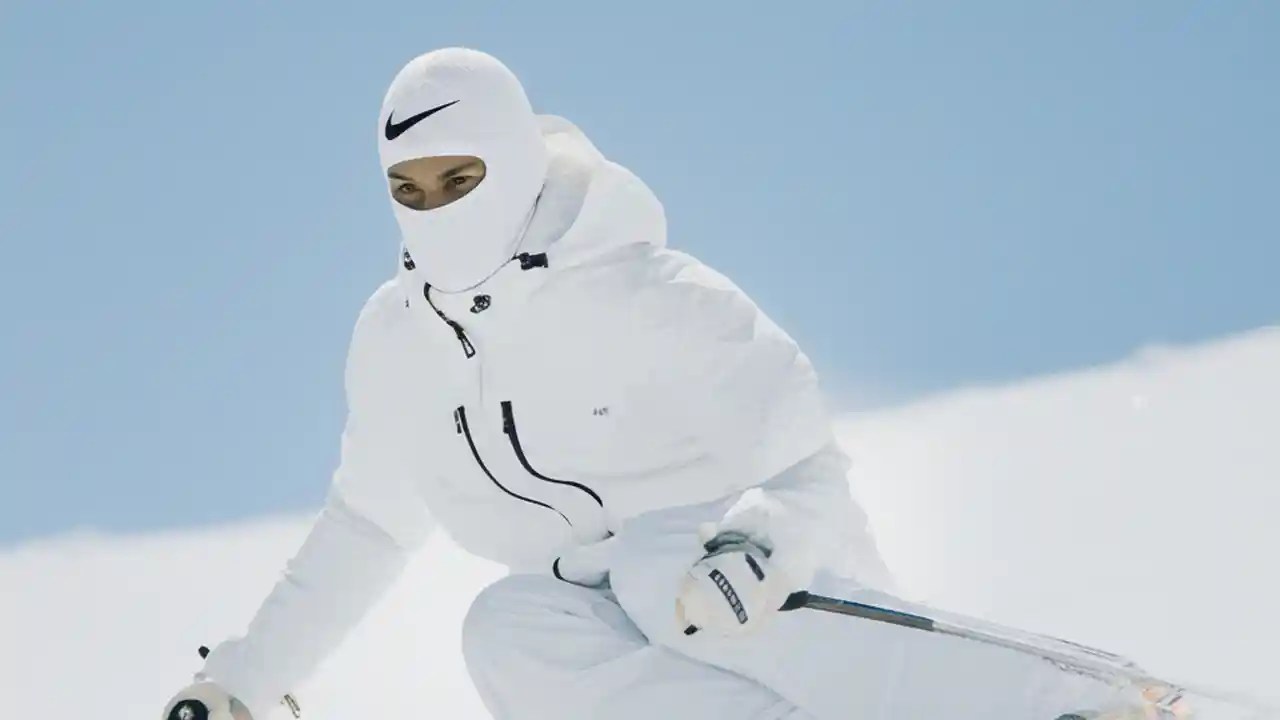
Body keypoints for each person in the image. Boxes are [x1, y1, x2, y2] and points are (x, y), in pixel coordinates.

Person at [161, 48, 1152, 720]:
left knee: (655, 564)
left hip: (761, 566)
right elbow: (370, 526)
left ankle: (1071, 700)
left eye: (457, 181)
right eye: (406, 191)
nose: (433, 211)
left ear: (509, 163)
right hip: (607, 597)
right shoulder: (395, 342)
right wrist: (244, 684)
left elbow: (807, 462)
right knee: (505, 627)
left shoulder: (639, 287)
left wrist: (762, 542)